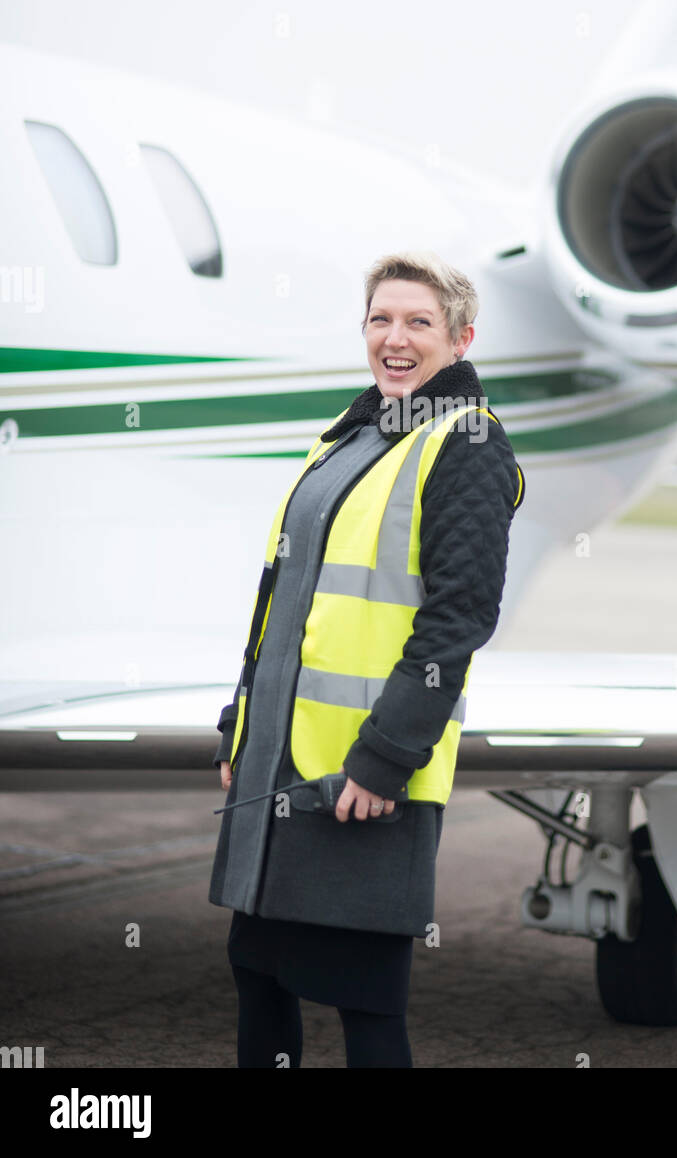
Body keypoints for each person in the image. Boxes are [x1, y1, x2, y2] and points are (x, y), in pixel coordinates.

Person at [209, 249, 525, 1068]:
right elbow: (282, 604)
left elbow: (458, 619)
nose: (395, 337)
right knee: (261, 978)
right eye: (380, 319)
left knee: (363, 1003)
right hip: (281, 772)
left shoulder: (467, 443)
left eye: (418, 322)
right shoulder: (350, 439)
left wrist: (384, 761)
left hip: (359, 781)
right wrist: (238, 730)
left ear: (458, 340)